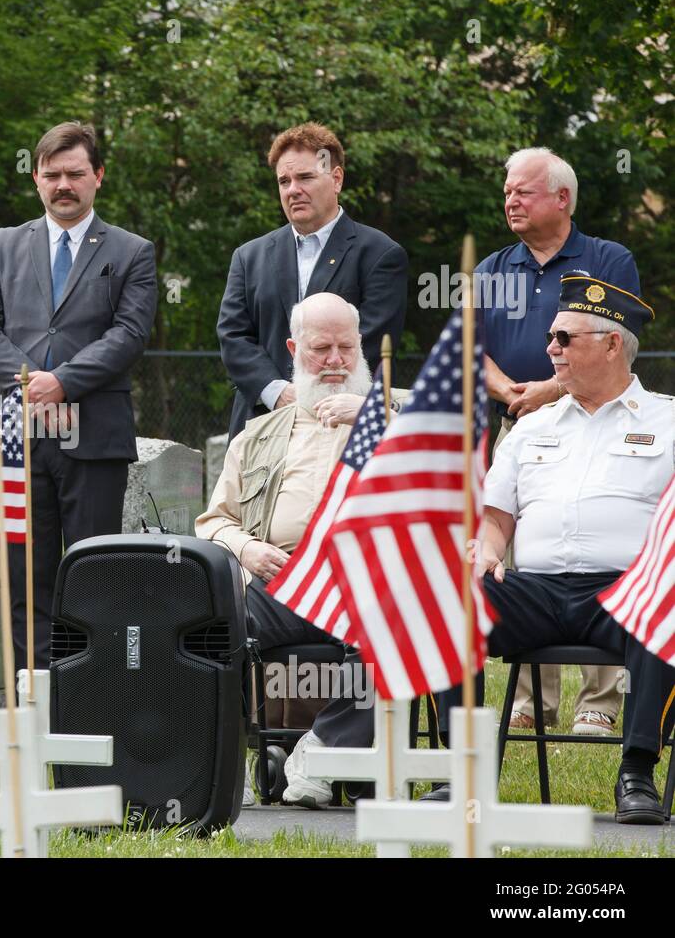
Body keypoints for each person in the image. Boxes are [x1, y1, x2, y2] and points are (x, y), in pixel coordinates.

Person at [289, 277, 675, 824]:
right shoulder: (531, 426)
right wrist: (487, 551)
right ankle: (463, 770)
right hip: (536, 588)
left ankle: (637, 772)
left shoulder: (668, 421)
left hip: (629, 588)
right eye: (551, 337)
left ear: (612, 344)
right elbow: (497, 518)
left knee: (668, 604)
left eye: (564, 338)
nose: (550, 349)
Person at [197, 292, 403, 806]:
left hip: (364, 582)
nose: (334, 361)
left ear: (363, 349)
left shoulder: (399, 417)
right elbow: (213, 521)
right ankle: (218, 761)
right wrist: (245, 550)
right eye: (320, 349)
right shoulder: (258, 434)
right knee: (206, 629)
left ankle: (319, 754)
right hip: (283, 580)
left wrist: (381, 418)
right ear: (294, 349)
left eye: (345, 348)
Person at [0, 121, 157, 673]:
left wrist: (64, 381)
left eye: (75, 173)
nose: (63, 185)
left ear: (98, 176)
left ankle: (92, 705)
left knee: (96, 578)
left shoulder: (131, 252)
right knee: (27, 579)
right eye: (52, 175)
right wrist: (32, 383)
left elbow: (130, 333)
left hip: (93, 437)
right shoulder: (1, 246)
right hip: (17, 437)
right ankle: (37, 704)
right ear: (36, 179)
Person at [479, 147, 640, 737]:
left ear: (561, 198)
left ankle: (600, 700)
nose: (510, 201)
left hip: (600, 414)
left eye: (522, 191)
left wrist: (551, 387)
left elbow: (618, 335)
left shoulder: (606, 259)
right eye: (507, 193)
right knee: (522, 550)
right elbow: (473, 347)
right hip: (517, 421)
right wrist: (510, 395)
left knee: (601, 532)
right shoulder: (493, 268)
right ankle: (531, 699)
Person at [217, 122, 407, 439]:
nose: (293, 189)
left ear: (336, 179)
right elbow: (233, 336)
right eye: (284, 181)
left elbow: (368, 341)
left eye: (305, 177)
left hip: (343, 428)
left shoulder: (380, 254)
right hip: (262, 425)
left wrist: (307, 399)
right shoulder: (248, 257)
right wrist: (277, 391)